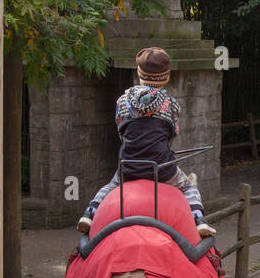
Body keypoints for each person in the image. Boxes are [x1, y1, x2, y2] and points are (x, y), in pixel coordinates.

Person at [78, 47, 214, 237]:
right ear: (166, 76)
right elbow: (170, 137)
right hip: (161, 168)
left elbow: (121, 131)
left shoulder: (122, 101)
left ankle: (89, 213)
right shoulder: (171, 103)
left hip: (129, 166)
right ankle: (198, 219)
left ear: (139, 73)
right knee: (188, 187)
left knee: (110, 186)